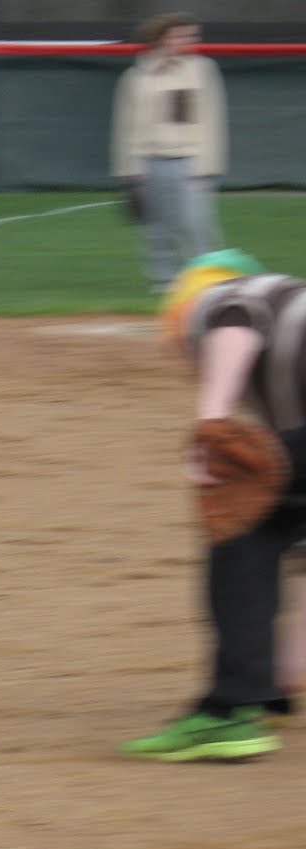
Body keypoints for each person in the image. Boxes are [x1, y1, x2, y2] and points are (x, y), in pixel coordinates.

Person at [121, 249, 306, 762]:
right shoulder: (284, 385)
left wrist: (213, 424)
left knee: (239, 523)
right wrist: (288, 673)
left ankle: (229, 713)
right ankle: (253, 688)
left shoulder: (221, 297)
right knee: (273, 519)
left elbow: (237, 317)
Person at [111, 12, 227, 294]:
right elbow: (124, 125)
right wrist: (128, 168)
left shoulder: (202, 69)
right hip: (149, 161)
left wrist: (208, 166)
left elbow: (213, 119)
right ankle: (164, 281)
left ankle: (207, 279)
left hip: (190, 159)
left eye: (192, 36)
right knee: (157, 229)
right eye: (182, 35)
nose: (190, 41)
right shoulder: (136, 75)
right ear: (161, 38)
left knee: (197, 223)